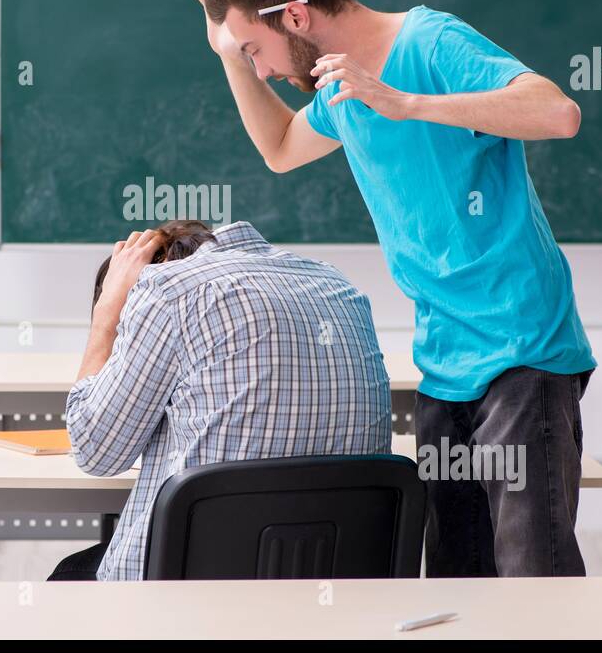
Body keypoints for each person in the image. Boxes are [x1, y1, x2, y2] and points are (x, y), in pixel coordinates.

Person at [186, 0, 596, 577]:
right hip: (443, 363)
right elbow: (281, 148)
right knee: (462, 574)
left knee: (532, 578)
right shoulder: (337, 88)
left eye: (256, 49)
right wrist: (229, 54)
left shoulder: (430, 43)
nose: (262, 67)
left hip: (522, 348)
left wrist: (407, 103)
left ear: (295, 15)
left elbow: (558, 111)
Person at [48, 219, 392, 581]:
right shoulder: (339, 286)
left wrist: (107, 314)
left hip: (191, 592)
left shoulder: (168, 290)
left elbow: (95, 451)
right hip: (338, 582)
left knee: (69, 576)